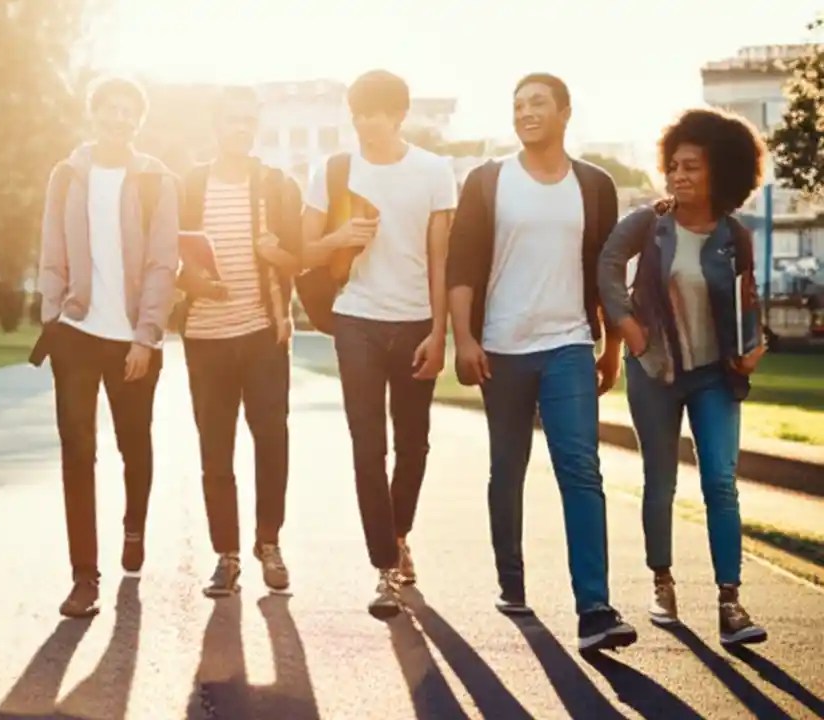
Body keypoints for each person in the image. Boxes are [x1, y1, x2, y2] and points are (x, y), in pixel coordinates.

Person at [447, 73, 636, 652]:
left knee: (580, 468)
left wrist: (611, 348)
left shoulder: (596, 185)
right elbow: (461, 267)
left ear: (564, 112)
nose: (526, 113)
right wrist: (464, 340)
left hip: (569, 344)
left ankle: (595, 608)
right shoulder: (487, 181)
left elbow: (608, 275)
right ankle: (512, 579)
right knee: (508, 467)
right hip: (501, 348)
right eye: (518, 105)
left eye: (537, 104)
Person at [599, 108, 769, 647]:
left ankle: (730, 602)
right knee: (662, 479)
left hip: (714, 376)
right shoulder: (650, 223)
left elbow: (748, 300)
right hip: (654, 371)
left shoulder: (734, 236)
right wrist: (627, 326)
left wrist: (752, 348)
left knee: (720, 481)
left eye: (691, 167)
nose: (678, 176)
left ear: (721, 171)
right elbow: (606, 264)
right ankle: (662, 583)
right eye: (672, 165)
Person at [301, 70, 456, 619]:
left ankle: (399, 532)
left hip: (416, 322)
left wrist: (440, 333)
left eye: (375, 111)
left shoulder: (435, 171)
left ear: (399, 115)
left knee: (413, 444)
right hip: (357, 321)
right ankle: (385, 566)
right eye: (357, 111)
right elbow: (306, 250)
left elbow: (441, 258)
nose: (365, 121)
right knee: (368, 447)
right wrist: (337, 240)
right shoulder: (336, 170)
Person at [36, 75, 179, 618]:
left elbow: (164, 262)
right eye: (110, 109)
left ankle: (135, 525)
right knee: (77, 452)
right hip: (76, 332)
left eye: (129, 111)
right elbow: (51, 246)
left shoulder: (156, 181)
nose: (119, 118)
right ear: (93, 114)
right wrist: (52, 312)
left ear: (138, 121)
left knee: (134, 445)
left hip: (131, 341)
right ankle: (84, 576)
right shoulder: (68, 174)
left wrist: (146, 334)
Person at [176, 86, 303, 598]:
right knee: (215, 448)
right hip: (205, 336)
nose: (240, 128)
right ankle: (225, 556)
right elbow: (165, 257)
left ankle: (268, 543)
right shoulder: (189, 185)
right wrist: (193, 284)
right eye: (231, 120)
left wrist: (275, 255)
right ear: (215, 126)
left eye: (248, 120)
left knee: (272, 439)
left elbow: (300, 259)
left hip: (261, 333)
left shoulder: (275, 185)